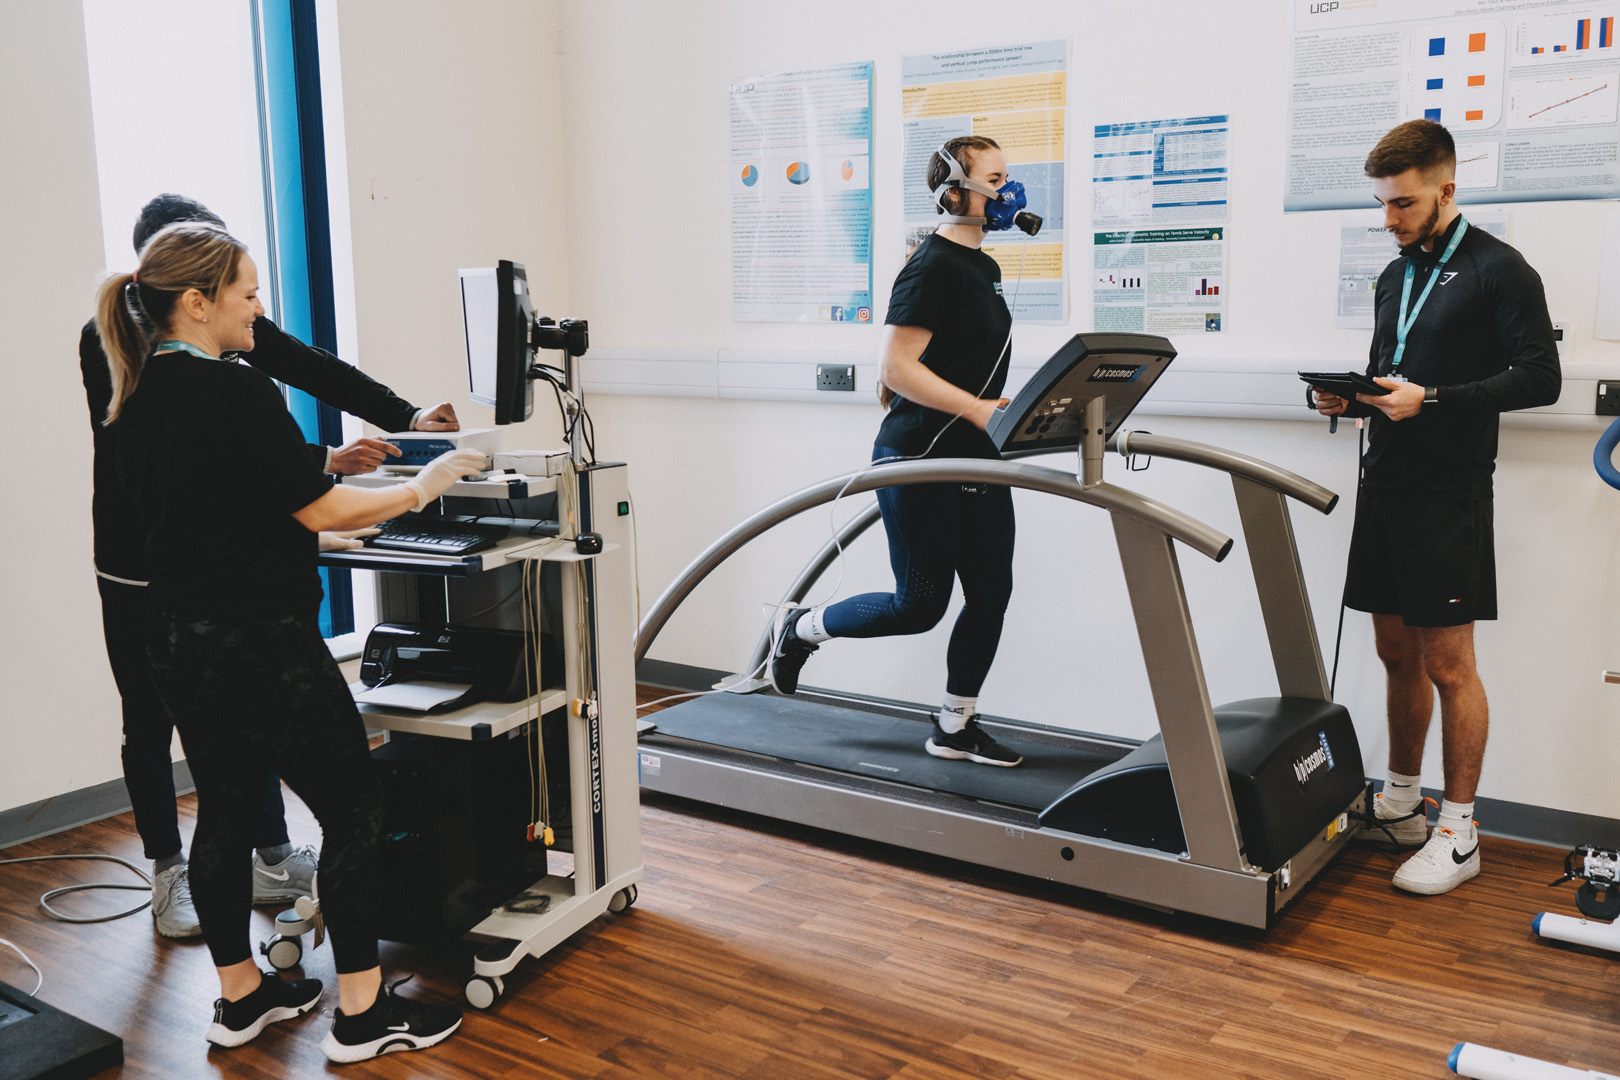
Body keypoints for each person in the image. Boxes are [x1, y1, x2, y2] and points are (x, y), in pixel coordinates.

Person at [98, 221, 476, 1058]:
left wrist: (304, 533)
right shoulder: (237, 391)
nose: (258, 310)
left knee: (226, 809)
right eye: (248, 293)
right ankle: (363, 1015)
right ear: (198, 303)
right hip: (263, 646)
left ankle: (242, 1000)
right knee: (354, 808)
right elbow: (319, 504)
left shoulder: (133, 394)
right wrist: (422, 486)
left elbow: (206, 515)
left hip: (180, 640)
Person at [1312, 119, 1560, 895]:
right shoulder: (1396, 275)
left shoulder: (1499, 269)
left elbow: (1541, 378)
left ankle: (1459, 830)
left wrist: (1435, 400)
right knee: (1395, 653)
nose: (1390, 219)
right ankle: (1401, 802)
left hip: (1449, 493)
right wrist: (1350, 398)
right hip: (1385, 483)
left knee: (1450, 665)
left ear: (1446, 190)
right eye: (1382, 205)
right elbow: (1394, 375)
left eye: (1404, 204)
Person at [769, 135, 1022, 768]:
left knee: (990, 594)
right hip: (919, 457)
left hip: (976, 455)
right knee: (919, 607)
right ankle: (799, 628)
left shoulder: (985, 269)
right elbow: (896, 368)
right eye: (996, 179)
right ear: (956, 192)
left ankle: (956, 725)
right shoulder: (932, 266)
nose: (1009, 190)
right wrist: (979, 409)